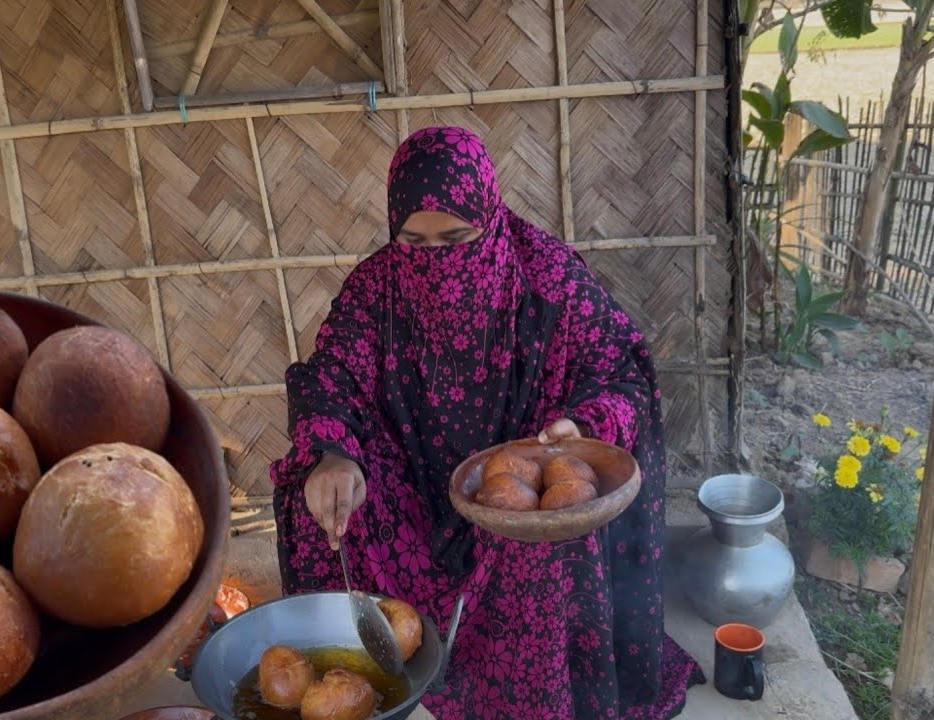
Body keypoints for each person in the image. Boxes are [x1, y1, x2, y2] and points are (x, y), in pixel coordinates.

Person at [269, 126, 705, 719]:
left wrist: (582, 426)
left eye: (456, 238)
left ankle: (532, 696)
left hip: (522, 477)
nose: (437, 260)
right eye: (414, 242)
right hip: (415, 487)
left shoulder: (547, 277)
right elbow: (331, 375)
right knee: (317, 494)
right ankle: (356, 663)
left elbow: (620, 373)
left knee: (551, 532)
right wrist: (333, 453)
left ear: (491, 218)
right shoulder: (376, 288)